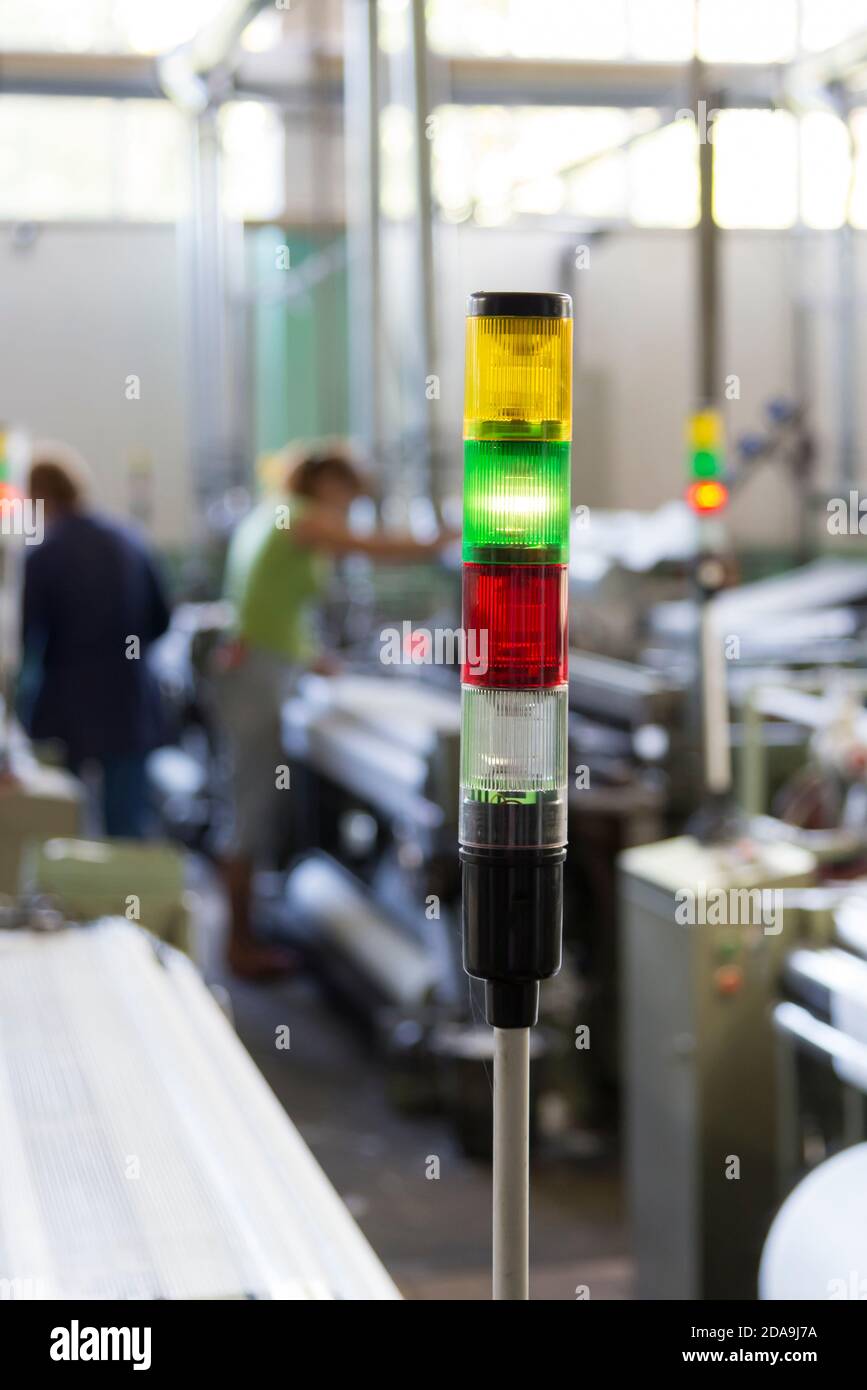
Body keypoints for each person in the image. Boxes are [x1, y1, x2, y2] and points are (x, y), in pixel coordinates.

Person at [217, 444, 455, 979]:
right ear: (329, 484)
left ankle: (245, 935)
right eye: (350, 495)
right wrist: (449, 539)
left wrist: (311, 657)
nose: (349, 509)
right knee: (250, 807)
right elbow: (375, 549)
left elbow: (267, 604)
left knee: (249, 802)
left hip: (260, 665)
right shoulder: (301, 517)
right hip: (259, 676)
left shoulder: (273, 511)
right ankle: (238, 946)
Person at [18, 442, 170, 838]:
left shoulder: (44, 555)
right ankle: (126, 880)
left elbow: (27, 641)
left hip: (68, 706)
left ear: (38, 495)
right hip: (128, 701)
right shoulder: (130, 540)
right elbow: (160, 620)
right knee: (126, 829)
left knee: (61, 822)